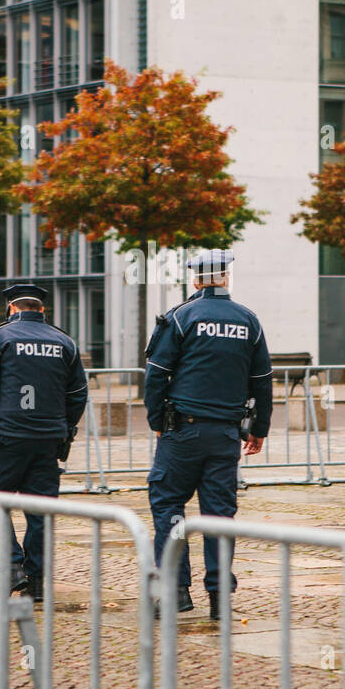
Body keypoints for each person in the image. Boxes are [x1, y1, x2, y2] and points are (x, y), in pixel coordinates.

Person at [144, 249, 273, 620]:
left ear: (196, 279)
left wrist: (156, 420)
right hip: (226, 436)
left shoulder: (181, 317)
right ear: (226, 278)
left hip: (182, 430)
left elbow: (156, 373)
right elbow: (262, 382)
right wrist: (258, 430)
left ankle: (175, 592)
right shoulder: (249, 320)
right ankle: (219, 598)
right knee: (218, 516)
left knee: (169, 508)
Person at [0, 283, 87, 604]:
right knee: (40, 511)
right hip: (48, 439)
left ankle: (11, 568)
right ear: (42, 309)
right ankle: (35, 582)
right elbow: (78, 394)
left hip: (7, 438)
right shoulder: (64, 342)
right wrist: (65, 429)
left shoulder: (0, 338)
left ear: (11, 308)